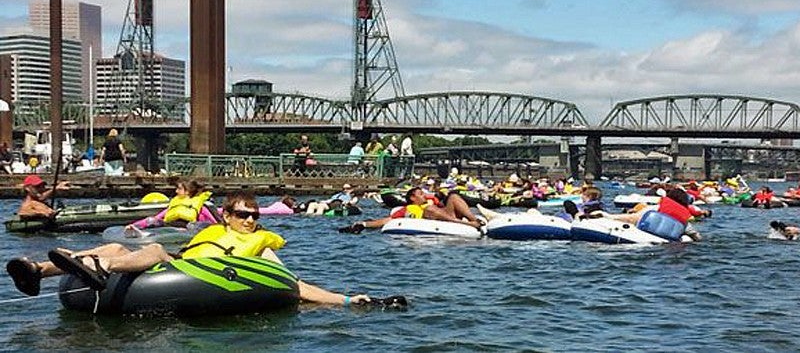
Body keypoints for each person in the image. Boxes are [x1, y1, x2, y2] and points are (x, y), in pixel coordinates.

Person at [6, 191, 374, 306]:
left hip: (196, 275)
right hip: (185, 265)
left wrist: (343, 300)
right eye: (243, 215)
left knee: (158, 254)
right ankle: (39, 270)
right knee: (117, 244)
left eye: (254, 216)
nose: (250, 221)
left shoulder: (260, 245)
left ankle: (103, 271)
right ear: (227, 215)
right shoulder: (209, 233)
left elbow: (292, 285)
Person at [341, 186, 483, 233]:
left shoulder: (432, 202)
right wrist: (365, 224)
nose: (425, 195)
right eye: (420, 194)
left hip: (447, 215)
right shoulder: (408, 209)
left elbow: (444, 207)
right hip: (436, 219)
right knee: (429, 210)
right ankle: (470, 224)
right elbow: (388, 220)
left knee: (453, 197)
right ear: (413, 198)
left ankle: (474, 220)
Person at [126, 180, 218, 232]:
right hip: (173, 227)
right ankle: (135, 228)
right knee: (151, 220)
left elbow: (214, 222)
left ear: (187, 192)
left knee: (192, 226)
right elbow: (157, 217)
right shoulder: (175, 204)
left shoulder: (201, 207)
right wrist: (134, 225)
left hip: (190, 227)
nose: (176, 191)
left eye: (179, 189)